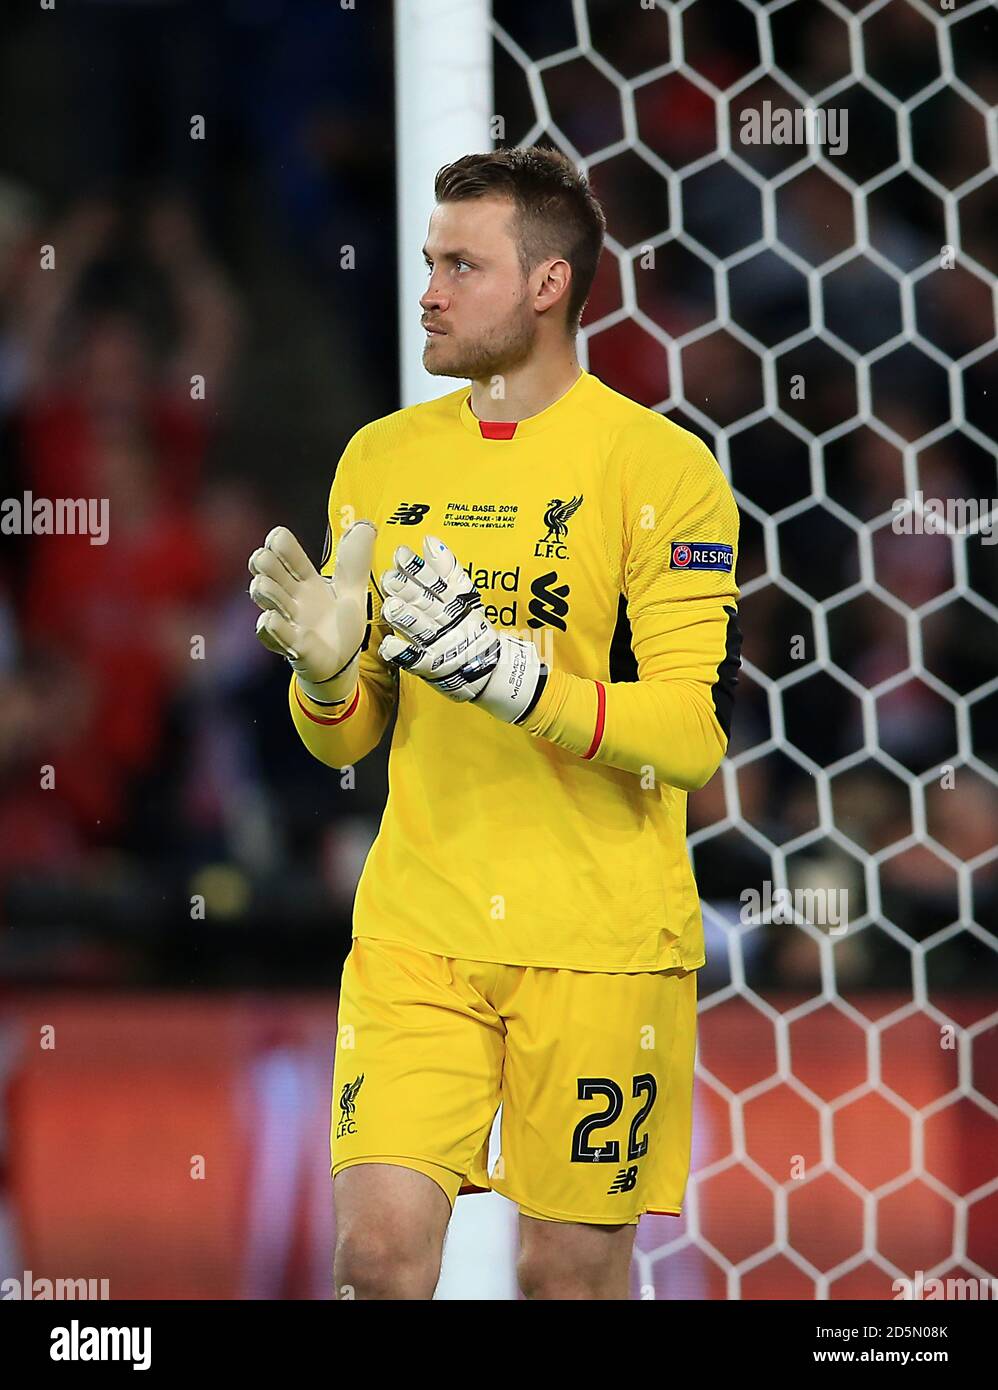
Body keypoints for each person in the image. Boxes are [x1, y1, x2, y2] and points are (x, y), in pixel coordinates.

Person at [248, 146, 741, 1300]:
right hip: (422, 923)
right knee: (376, 1256)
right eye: (427, 263)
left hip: (602, 938)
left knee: (564, 1276)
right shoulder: (380, 459)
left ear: (547, 285)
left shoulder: (661, 468)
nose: (426, 290)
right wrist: (325, 679)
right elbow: (346, 735)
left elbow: (688, 733)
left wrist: (520, 686)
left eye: (460, 266)